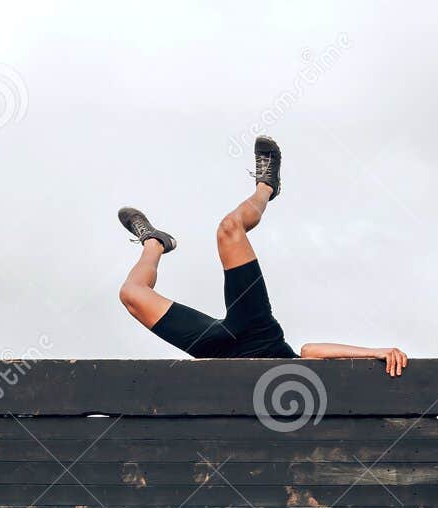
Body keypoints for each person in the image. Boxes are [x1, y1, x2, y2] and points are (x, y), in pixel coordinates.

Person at [117, 136, 407, 375]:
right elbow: (309, 351)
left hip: (217, 354)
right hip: (258, 335)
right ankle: (266, 186)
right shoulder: (304, 369)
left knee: (131, 294)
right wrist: (375, 353)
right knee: (229, 229)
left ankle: (153, 243)